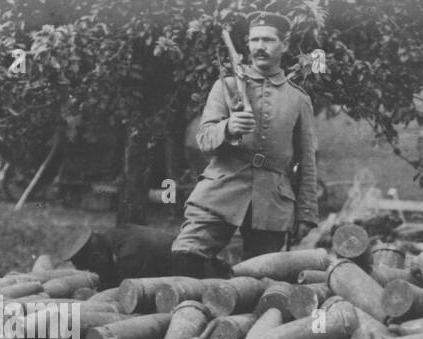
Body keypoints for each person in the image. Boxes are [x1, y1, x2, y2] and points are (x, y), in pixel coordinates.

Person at [171, 11, 318, 279]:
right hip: (222, 189)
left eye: (268, 40)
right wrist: (228, 128)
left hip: (272, 200)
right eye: (254, 40)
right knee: (187, 256)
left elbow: (307, 161)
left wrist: (306, 213)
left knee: (262, 278)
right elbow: (203, 138)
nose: (259, 47)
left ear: (284, 45)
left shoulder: (298, 99)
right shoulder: (225, 85)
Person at [55, 225, 174, 287]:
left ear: (96, 257)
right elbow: (108, 274)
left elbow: (126, 293)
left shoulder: (129, 257)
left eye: (92, 268)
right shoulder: (113, 236)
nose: (94, 272)